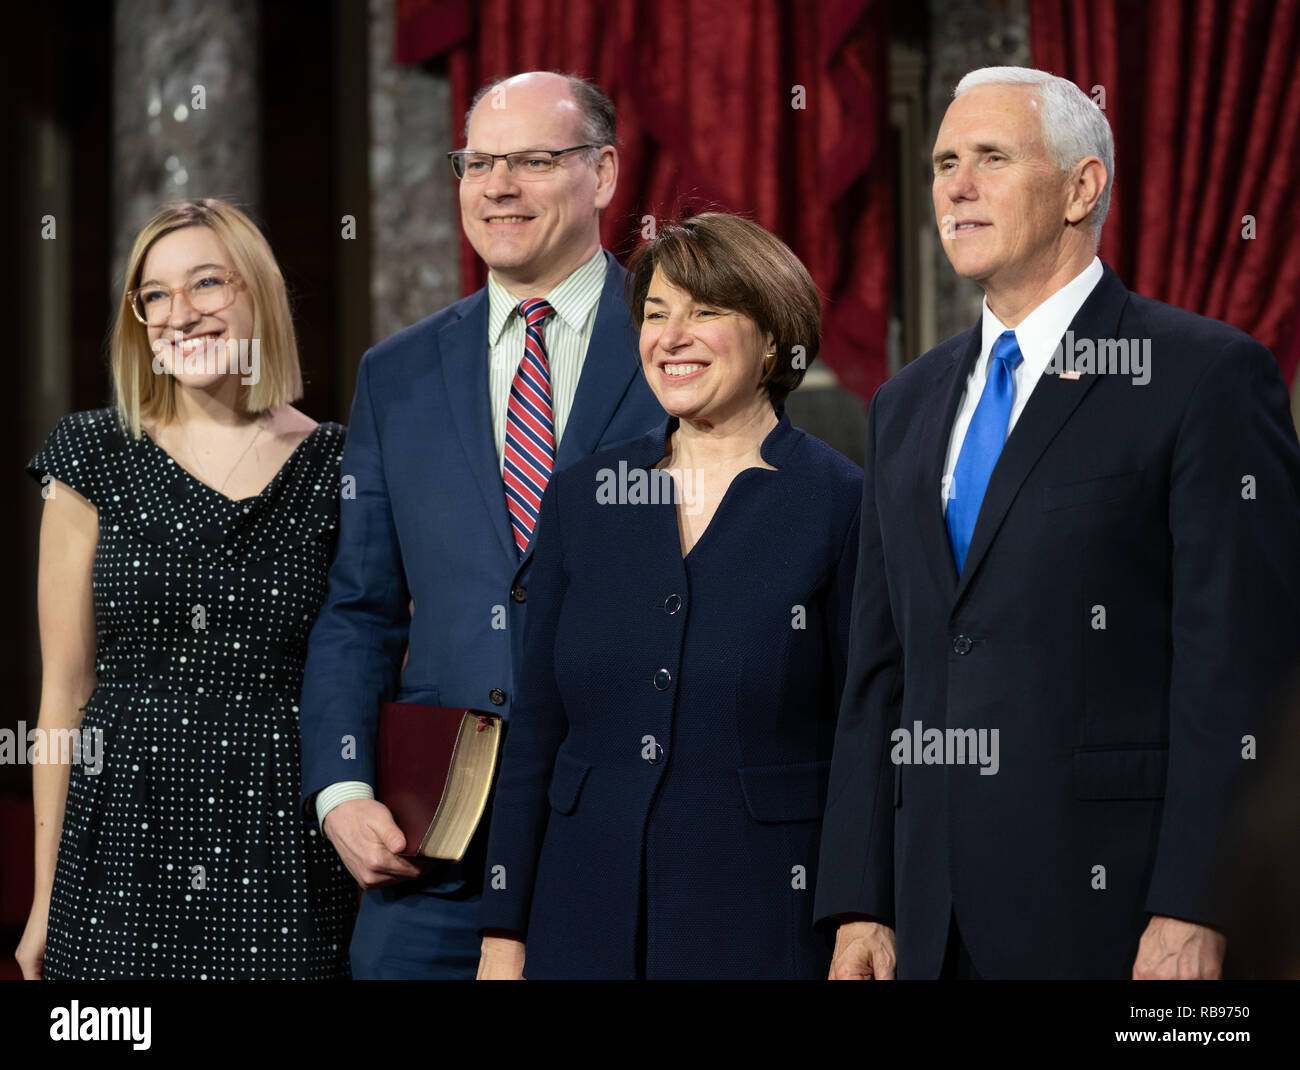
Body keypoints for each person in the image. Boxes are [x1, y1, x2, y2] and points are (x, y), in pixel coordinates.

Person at [815, 66, 1300, 980]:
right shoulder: (904, 405)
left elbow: (1244, 670)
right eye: (944, 161)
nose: (955, 186)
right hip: (927, 921)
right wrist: (859, 899)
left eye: (991, 158)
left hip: (1120, 921)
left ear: (1082, 187)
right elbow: (880, 672)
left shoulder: (1204, 375)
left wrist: (1199, 899)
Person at [298, 71, 664, 979]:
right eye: (479, 162)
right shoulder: (399, 374)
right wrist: (341, 787)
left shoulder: (677, 344)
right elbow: (359, 608)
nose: (498, 185)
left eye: (534, 160)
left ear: (605, 174)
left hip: (625, 832)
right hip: (436, 850)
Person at [476, 212, 862, 979]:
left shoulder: (840, 500)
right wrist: (503, 932)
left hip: (761, 917)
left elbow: (864, 738)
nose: (670, 337)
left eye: (705, 312)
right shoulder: (585, 494)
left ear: (773, 335)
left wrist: (860, 914)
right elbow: (538, 729)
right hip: (580, 916)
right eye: (655, 314)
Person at [17, 198, 355, 980]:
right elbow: (64, 698)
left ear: (258, 294)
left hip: (282, 844)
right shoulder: (92, 451)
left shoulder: (340, 464)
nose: (180, 313)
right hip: (118, 846)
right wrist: (43, 897)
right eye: (155, 295)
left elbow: (364, 667)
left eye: (207, 284)